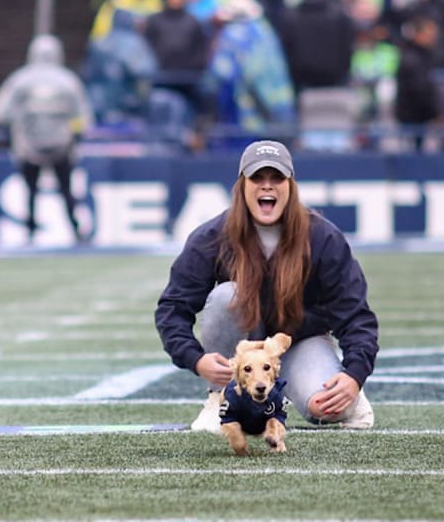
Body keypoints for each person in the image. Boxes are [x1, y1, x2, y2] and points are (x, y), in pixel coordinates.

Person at [155, 140, 378, 433]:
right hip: (244, 351)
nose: (267, 186)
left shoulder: (322, 237)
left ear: (290, 185)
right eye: (257, 178)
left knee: (330, 406)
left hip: (299, 342)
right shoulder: (212, 236)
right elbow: (172, 309)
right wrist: (196, 360)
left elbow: (355, 314)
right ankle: (219, 399)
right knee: (226, 297)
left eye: (277, 178)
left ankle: (334, 389)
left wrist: (354, 374)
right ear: (242, 185)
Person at [0, 34, 93, 243]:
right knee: (65, 189)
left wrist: (21, 122)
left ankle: (30, 230)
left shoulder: (20, 79)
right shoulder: (68, 81)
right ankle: (76, 230)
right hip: (61, 144)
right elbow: (84, 117)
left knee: (31, 190)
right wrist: (73, 133)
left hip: (29, 145)